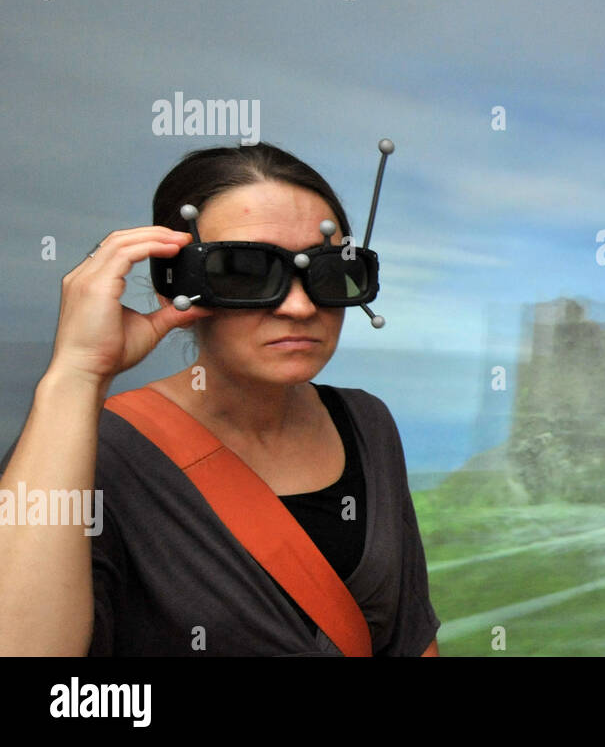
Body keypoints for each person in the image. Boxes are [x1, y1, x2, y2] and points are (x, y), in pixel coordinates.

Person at [0, 143, 441, 656]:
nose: (299, 306)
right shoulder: (89, 452)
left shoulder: (366, 421)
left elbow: (409, 637)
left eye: (330, 270)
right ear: (176, 283)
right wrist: (76, 374)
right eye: (246, 271)